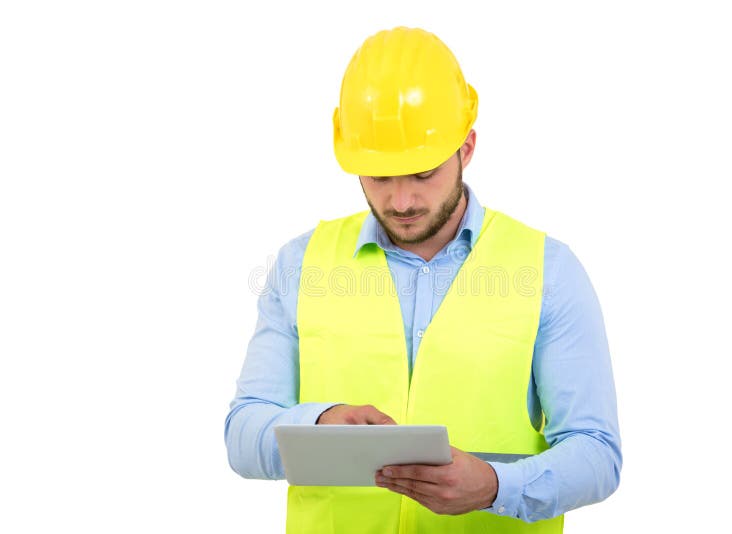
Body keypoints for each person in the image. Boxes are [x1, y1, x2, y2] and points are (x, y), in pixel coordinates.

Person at [225, 26, 621, 533]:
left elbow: (596, 452)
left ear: (468, 147)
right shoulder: (299, 265)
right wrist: (319, 422)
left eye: (422, 172)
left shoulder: (549, 270)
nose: (402, 201)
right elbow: (242, 434)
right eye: (379, 176)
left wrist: (499, 486)